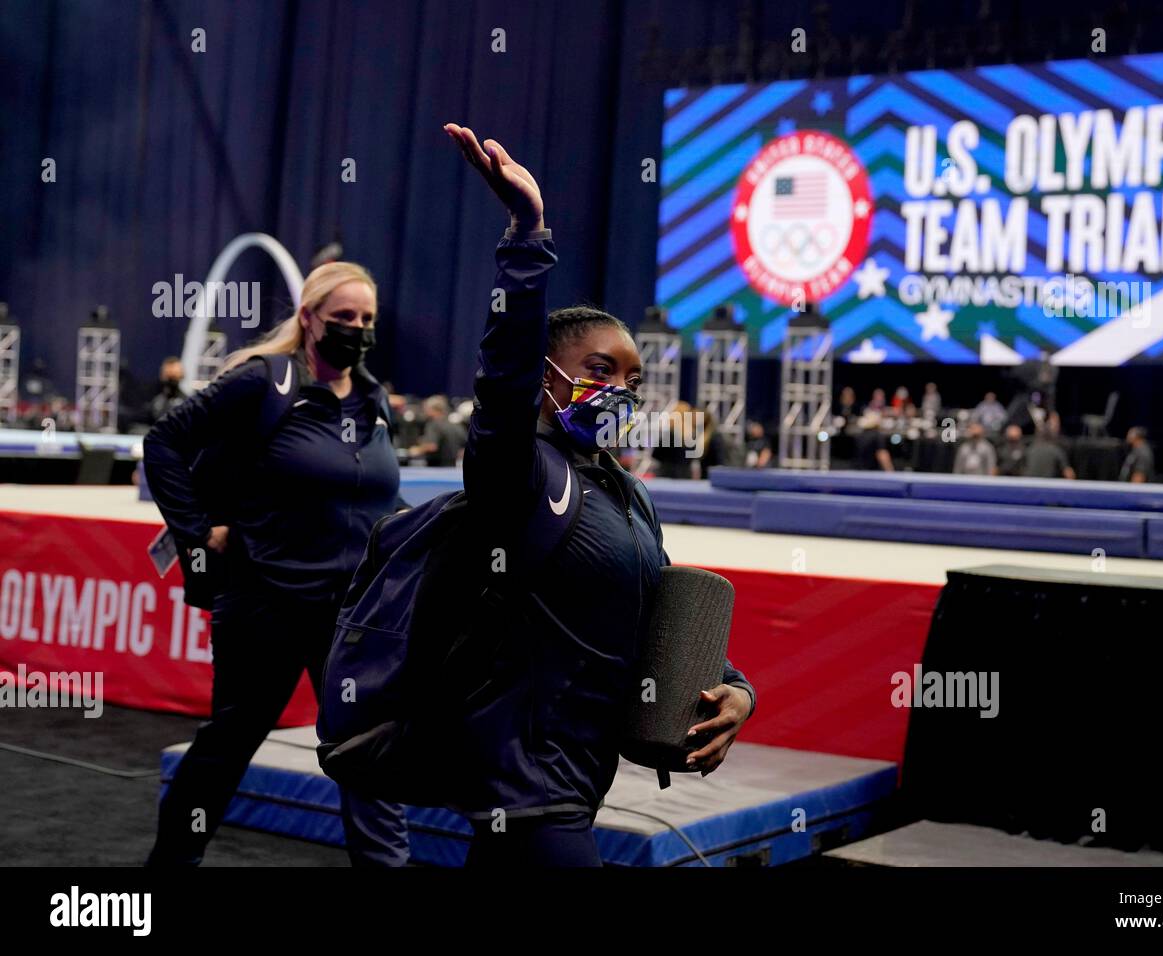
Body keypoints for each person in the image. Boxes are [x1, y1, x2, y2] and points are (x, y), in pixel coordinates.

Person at [444, 122, 755, 866]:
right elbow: (503, 373)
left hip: (583, 777)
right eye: (601, 369)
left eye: (633, 379)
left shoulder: (627, 491)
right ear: (550, 377)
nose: (620, 390)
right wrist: (527, 235)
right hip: (523, 782)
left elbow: (655, 607)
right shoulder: (516, 470)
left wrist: (738, 690)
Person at [142, 261, 410, 866]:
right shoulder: (266, 382)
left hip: (352, 615)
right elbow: (163, 444)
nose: (357, 329)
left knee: (366, 754)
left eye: (366, 318)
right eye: (343, 317)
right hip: (267, 603)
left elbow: (373, 498)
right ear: (310, 318)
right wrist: (196, 532)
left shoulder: (373, 400)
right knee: (228, 747)